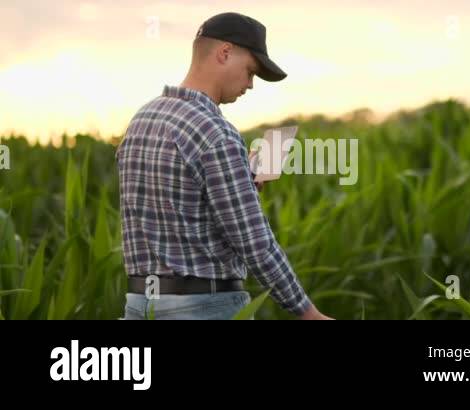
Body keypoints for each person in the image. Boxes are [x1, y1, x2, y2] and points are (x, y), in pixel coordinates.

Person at [116, 12, 332, 320]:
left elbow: (174, 207)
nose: (251, 84)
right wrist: (309, 313)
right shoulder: (216, 133)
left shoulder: (142, 119)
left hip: (139, 305)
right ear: (225, 53)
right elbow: (254, 242)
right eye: (251, 71)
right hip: (204, 308)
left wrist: (243, 180)